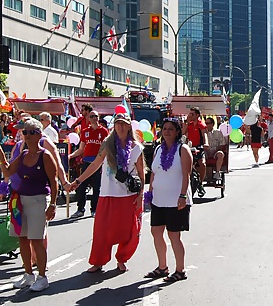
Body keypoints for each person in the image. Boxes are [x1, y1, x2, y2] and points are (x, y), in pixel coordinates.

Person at [68, 114, 145, 274]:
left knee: (128, 231)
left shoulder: (137, 147)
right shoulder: (107, 144)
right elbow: (95, 164)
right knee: (102, 230)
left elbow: (141, 173)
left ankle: (122, 259)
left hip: (128, 195)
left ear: (129, 126)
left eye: (123, 124)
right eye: (117, 124)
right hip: (108, 194)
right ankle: (98, 261)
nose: (120, 127)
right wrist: (78, 181)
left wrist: (140, 195)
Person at [0, 117, 60, 292]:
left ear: (39, 134)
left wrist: (53, 204)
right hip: (21, 200)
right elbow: (8, 170)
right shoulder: (24, 154)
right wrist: (1, 153)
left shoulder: (45, 156)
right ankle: (28, 273)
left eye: (31, 132)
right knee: (22, 238)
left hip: (39, 200)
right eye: (25, 132)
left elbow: (54, 182)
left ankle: (42, 277)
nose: (27, 135)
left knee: (37, 239)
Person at [145, 117, 192, 284]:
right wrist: (149, 192)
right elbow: (153, 173)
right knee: (156, 232)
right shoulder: (158, 149)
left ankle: (180, 270)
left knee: (174, 235)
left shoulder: (183, 149)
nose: (166, 131)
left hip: (176, 200)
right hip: (159, 199)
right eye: (164, 128)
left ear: (177, 131)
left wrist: (182, 196)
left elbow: (186, 175)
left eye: (170, 129)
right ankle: (162, 267)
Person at [70, 105, 109, 218]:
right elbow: (81, 149)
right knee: (82, 185)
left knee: (96, 187)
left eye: (95, 116)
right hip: (86, 162)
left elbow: (106, 148)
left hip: (98, 162)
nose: (93, 118)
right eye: (91, 116)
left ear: (98, 117)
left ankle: (94, 209)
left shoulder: (104, 131)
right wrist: (70, 156)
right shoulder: (85, 131)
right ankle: (80, 209)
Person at [200, 117, 226, 181]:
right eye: (205, 123)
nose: (206, 125)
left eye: (208, 123)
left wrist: (216, 149)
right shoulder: (202, 133)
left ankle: (217, 172)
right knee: (201, 154)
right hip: (206, 151)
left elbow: (222, 143)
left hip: (215, 151)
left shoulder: (218, 132)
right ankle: (204, 172)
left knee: (220, 154)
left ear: (212, 124)